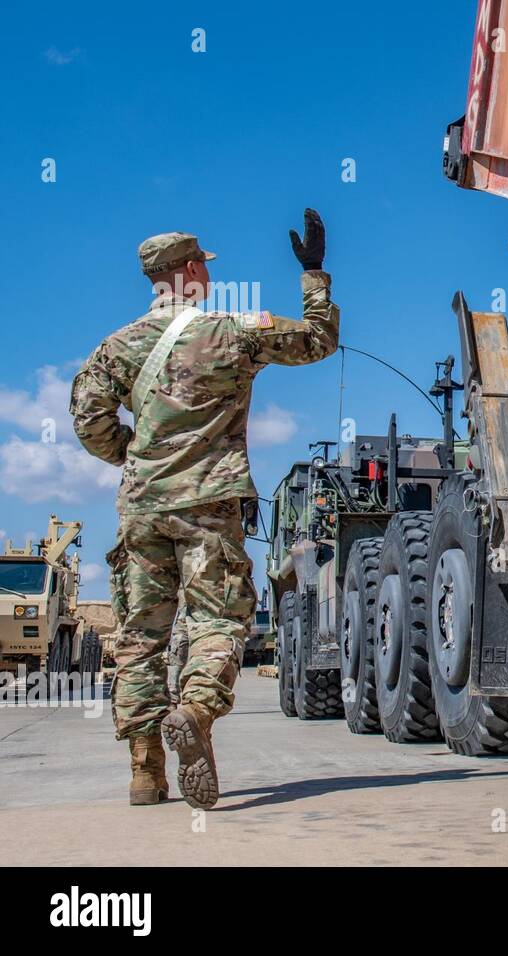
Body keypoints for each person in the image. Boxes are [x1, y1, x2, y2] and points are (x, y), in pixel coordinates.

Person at [72, 210, 339, 808]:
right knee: (217, 622)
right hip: (209, 506)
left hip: (141, 508)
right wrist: (314, 275)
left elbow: (88, 421)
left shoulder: (115, 347)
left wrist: (138, 461)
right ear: (193, 269)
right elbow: (317, 341)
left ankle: (145, 774)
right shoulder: (233, 331)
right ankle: (194, 709)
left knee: (140, 637)